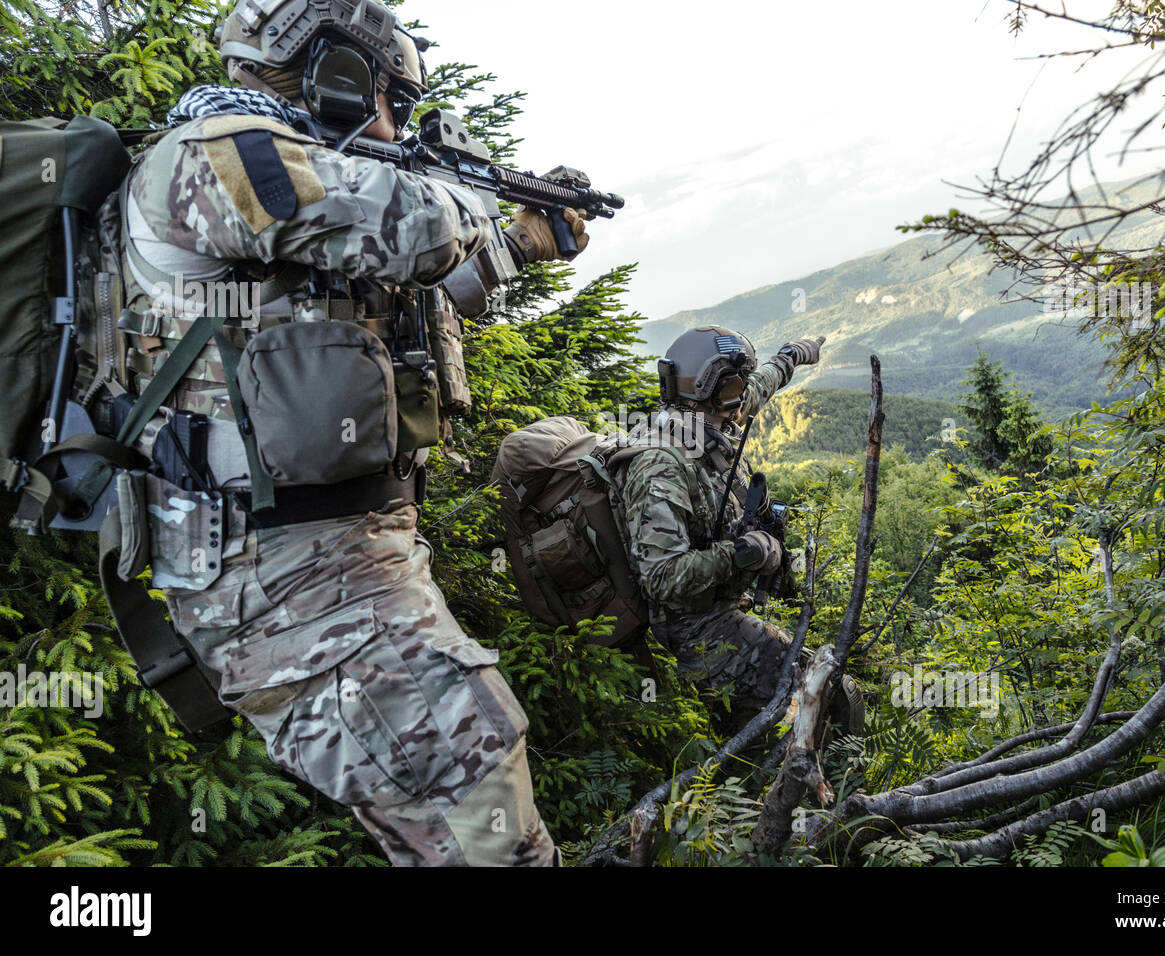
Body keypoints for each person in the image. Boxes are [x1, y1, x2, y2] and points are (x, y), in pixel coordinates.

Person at [95, 0, 590, 866]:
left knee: (458, 809)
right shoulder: (210, 154)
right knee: (475, 794)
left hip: (336, 560)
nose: (395, 122)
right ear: (339, 72)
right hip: (287, 573)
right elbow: (415, 229)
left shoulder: (284, 166)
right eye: (394, 97)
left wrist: (518, 242)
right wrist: (471, 191)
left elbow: (411, 291)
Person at [620, 326, 865, 736]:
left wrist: (792, 355)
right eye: (734, 387)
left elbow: (759, 387)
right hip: (697, 630)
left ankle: (752, 755)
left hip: (723, 607)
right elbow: (660, 575)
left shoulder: (708, 417)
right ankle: (813, 774)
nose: (741, 401)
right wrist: (743, 553)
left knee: (803, 705)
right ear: (705, 390)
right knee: (837, 698)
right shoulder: (661, 464)